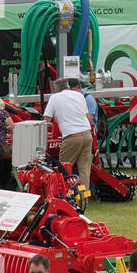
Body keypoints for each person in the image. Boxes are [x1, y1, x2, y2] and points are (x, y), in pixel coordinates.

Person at [43, 76, 94, 204]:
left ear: (55, 89)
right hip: (87, 135)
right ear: (68, 86)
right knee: (84, 170)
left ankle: (65, 198)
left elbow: (47, 119)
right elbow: (84, 115)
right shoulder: (79, 96)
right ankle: (82, 200)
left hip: (71, 136)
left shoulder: (54, 98)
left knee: (62, 169)